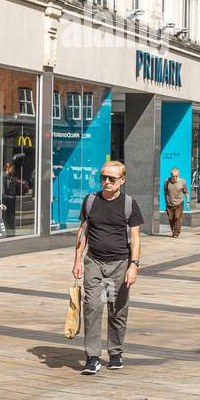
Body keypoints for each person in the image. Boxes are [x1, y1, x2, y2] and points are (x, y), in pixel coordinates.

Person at [73, 160, 143, 375]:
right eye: (103, 177)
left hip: (119, 265)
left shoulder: (129, 204)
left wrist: (134, 266)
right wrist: (77, 260)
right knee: (92, 307)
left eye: (111, 179)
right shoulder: (91, 201)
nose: (106, 182)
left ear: (122, 180)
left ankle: (115, 352)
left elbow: (136, 237)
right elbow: (82, 232)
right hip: (94, 262)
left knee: (116, 310)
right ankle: (92, 357)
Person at [163, 167, 189, 237]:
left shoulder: (182, 181)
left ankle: (176, 233)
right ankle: (173, 231)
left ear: (178, 175)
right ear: (171, 175)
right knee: (171, 219)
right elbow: (165, 191)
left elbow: (186, 192)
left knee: (177, 218)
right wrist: (166, 200)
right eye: (173, 176)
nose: (174, 178)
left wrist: (187, 202)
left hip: (179, 203)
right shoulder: (167, 181)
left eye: (176, 176)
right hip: (169, 203)